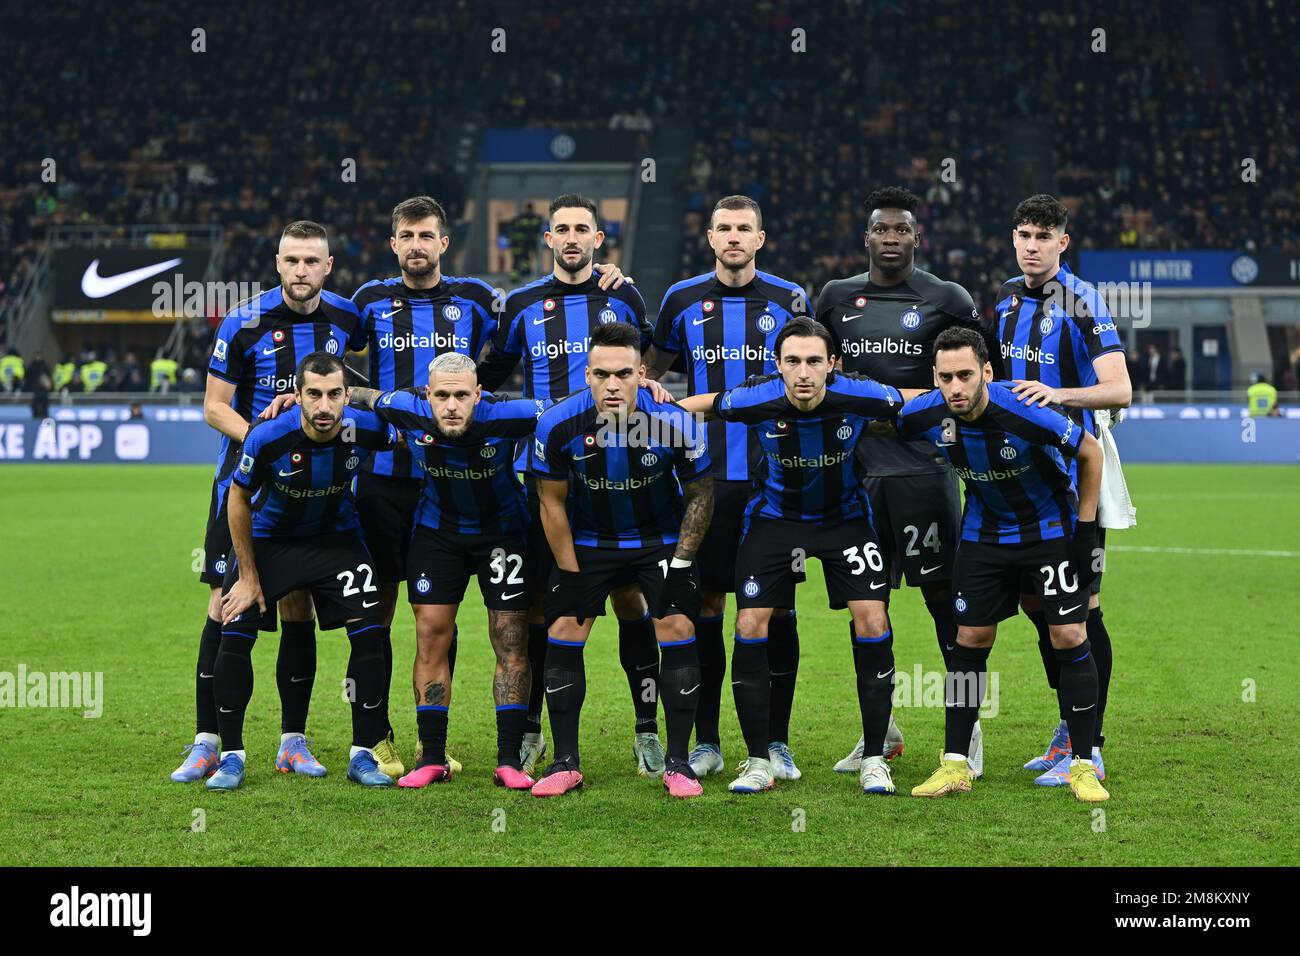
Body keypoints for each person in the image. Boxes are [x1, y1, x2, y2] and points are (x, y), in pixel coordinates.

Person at [679, 317, 919, 796]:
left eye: (814, 361)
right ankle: (757, 761)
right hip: (774, 520)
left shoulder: (862, 394)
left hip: (845, 520)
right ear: (778, 366)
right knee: (749, 624)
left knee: (872, 618)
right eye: (793, 362)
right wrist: (652, 403)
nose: (804, 372)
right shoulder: (755, 398)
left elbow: (916, 400)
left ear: (834, 365)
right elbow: (701, 403)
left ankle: (875, 758)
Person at [169, 220, 366, 784]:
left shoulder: (348, 318)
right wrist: (264, 433)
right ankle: (209, 741)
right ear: (277, 264)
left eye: (311, 261)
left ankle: (292, 742)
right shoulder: (244, 320)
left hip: (313, 492)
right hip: (244, 485)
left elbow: (361, 379)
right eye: (290, 261)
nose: (300, 271)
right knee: (225, 606)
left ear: (328, 266)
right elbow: (214, 406)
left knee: (298, 603)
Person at [817, 185, 1002, 778]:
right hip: (854, 474)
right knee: (865, 607)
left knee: (946, 605)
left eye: (901, 230)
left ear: (917, 237)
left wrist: (896, 399)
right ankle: (883, 732)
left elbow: (979, 381)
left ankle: (966, 734)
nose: (891, 239)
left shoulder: (947, 298)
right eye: (881, 229)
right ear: (865, 236)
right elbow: (814, 367)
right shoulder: (836, 297)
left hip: (924, 471)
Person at [479, 193, 665, 779]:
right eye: (561, 228)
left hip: (619, 475)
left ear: (599, 238)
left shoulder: (625, 295)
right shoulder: (521, 303)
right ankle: (533, 730)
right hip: (548, 476)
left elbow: (650, 359)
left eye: (582, 228)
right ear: (548, 239)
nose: (571, 237)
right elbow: (487, 375)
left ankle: (646, 731)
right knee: (543, 605)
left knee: (631, 600)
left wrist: (653, 386)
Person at [900, 328, 1108, 803]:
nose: (956, 386)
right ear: (934, 377)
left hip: (1049, 534)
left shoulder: (1026, 409)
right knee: (969, 638)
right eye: (946, 377)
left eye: (966, 375)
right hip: (983, 536)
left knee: (1069, 635)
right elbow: (888, 421)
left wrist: (1086, 530)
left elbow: (1090, 452)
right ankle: (954, 764)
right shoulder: (926, 413)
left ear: (987, 373)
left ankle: (1083, 762)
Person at [643, 195, 807, 781]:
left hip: (774, 483)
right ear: (708, 238)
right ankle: (708, 740)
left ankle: (778, 743)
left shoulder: (790, 299)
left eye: (745, 229)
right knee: (708, 605)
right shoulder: (681, 300)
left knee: (775, 608)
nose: (734, 237)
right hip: (704, 486)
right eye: (724, 229)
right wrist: (653, 399)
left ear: (760, 239)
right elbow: (648, 373)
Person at [344, 353, 550, 790]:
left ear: (478, 395)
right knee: (430, 637)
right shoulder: (407, 408)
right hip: (438, 536)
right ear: (427, 395)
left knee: (511, 640)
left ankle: (510, 759)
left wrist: (642, 392)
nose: (451, 405)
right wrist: (313, 397)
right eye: (442, 395)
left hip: (503, 535)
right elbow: (368, 395)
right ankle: (432, 757)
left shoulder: (508, 415)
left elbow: (570, 408)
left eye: (461, 395)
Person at [530, 322, 714, 798]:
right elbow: (550, 502)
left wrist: (680, 564)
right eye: (602, 374)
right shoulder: (557, 424)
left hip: (660, 541)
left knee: (676, 626)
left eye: (624, 374)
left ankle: (678, 763)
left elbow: (700, 497)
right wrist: (569, 572)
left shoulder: (676, 422)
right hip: (590, 542)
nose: (612, 385)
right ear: (586, 374)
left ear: (642, 373)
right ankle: (565, 762)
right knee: (564, 628)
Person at [989, 194, 1131, 787]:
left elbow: (1119, 389)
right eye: (1023, 234)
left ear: (1062, 243)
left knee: (1082, 609)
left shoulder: (1083, 302)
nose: (1031, 245)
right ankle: (1070, 727)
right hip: (1019, 483)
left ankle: (1089, 744)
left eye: (1043, 236)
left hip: (1077, 479)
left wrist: (1058, 396)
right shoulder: (1003, 303)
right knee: (1038, 607)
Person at [207, 352, 399, 790]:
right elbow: (238, 499)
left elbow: (404, 431)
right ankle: (231, 756)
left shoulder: (364, 427)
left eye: (335, 394)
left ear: (348, 396)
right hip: (271, 541)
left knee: (370, 635)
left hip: (337, 539)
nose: (325, 406)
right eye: (314, 394)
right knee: (235, 632)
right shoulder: (267, 436)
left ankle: (363, 754)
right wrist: (249, 576)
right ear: (297, 395)